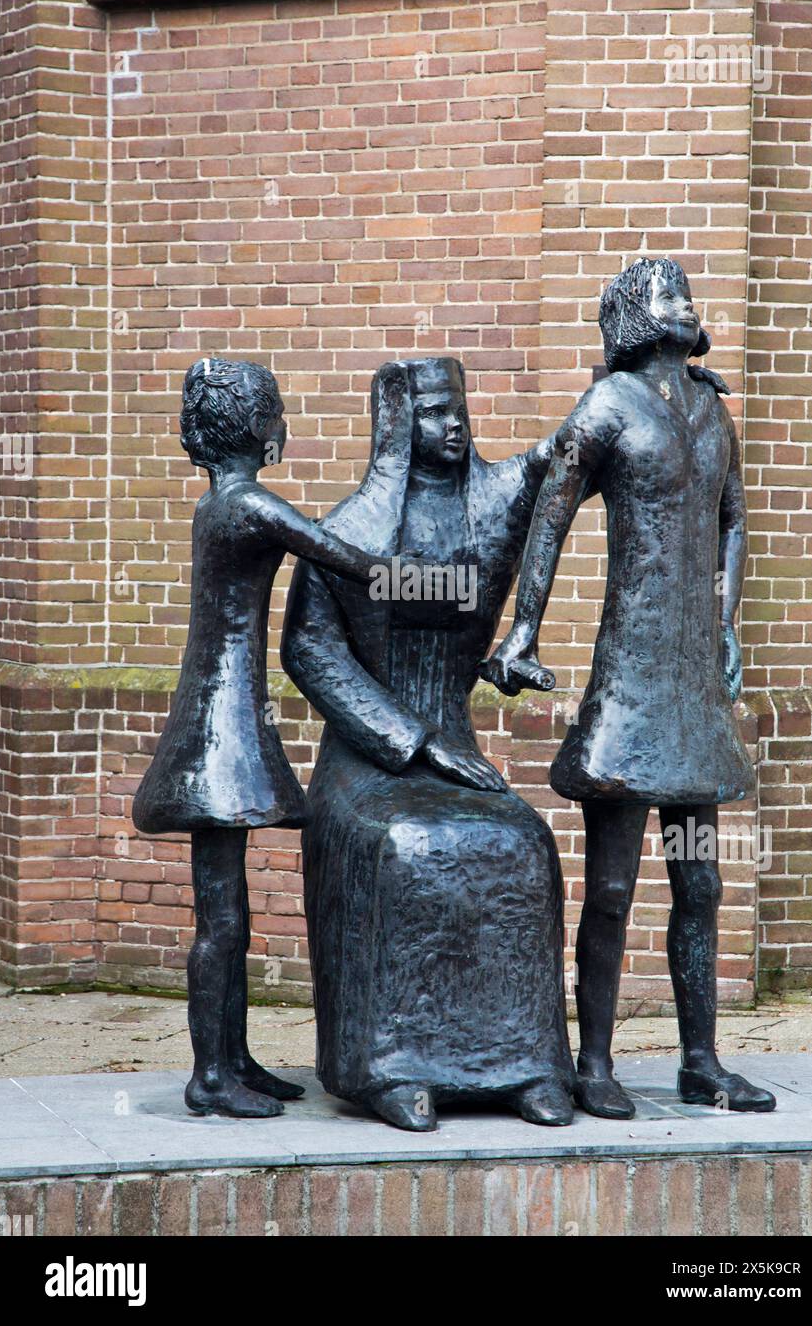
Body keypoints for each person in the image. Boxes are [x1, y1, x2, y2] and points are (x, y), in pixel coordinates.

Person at [482, 259, 776, 1119]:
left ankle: (700, 1061)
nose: (685, 303)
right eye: (667, 293)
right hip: (630, 686)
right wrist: (523, 631)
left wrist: (726, 623)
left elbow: (734, 521)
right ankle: (596, 1060)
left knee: (700, 883)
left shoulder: (713, 409)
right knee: (611, 884)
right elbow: (550, 515)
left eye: (687, 291)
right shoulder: (608, 406)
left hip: (693, 694)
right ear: (634, 316)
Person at [281, 356, 576, 1132]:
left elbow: (572, 449)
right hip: (367, 759)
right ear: (397, 425)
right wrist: (411, 741)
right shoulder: (349, 530)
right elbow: (310, 652)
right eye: (435, 413)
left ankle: (526, 1064)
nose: (455, 425)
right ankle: (393, 1068)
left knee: (521, 841)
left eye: (459, 410)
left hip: (459, 744)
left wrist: (643, 374)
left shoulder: (497, 501)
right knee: (405, 844)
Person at [133, 358, 375, 1118]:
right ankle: (209, 1075)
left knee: (226, 911)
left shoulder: (222, 507)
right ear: (260, 429)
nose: (284, 425)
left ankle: (233, 1057)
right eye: (279, 412)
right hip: (219, 733)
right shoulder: (247, 507)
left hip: (223, 721)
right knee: (223, 920)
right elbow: (350, 561)